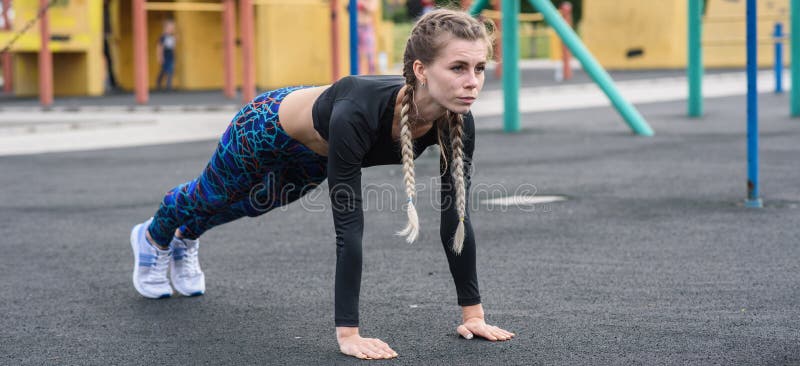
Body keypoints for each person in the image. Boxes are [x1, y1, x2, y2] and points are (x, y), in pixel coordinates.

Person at [129, 8, 514, 360]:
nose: (472, 82)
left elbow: (456, 219)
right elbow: (349, 228)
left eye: (479, 68)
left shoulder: (457, 122)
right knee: (213, 193)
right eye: (459, 67)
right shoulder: (359, 111)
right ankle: (154, 238)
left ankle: (187, 236)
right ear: (421, 69)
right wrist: (349, 334)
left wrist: (473, 314)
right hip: (264, 129)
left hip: (313, 156)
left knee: (251, 205)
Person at [357, 0, 378, 74]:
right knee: (358, 54)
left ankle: (372, 75)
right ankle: (358, 76)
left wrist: (362, 3)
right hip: (356, 27)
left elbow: (372, 8)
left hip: (366, 27)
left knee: (370, 54)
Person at [156, 19, 176, 90]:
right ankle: (158, 81)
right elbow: (160, 47)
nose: (172, 29)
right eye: (170, 28)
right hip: (165, 55)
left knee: (171, 70)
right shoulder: (163, 37)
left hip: (171, 55)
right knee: (164, 70)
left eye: (173, 28)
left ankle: (168, 85)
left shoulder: (172, 37)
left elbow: (173, 47)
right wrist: (160, 56)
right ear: (166, 28)